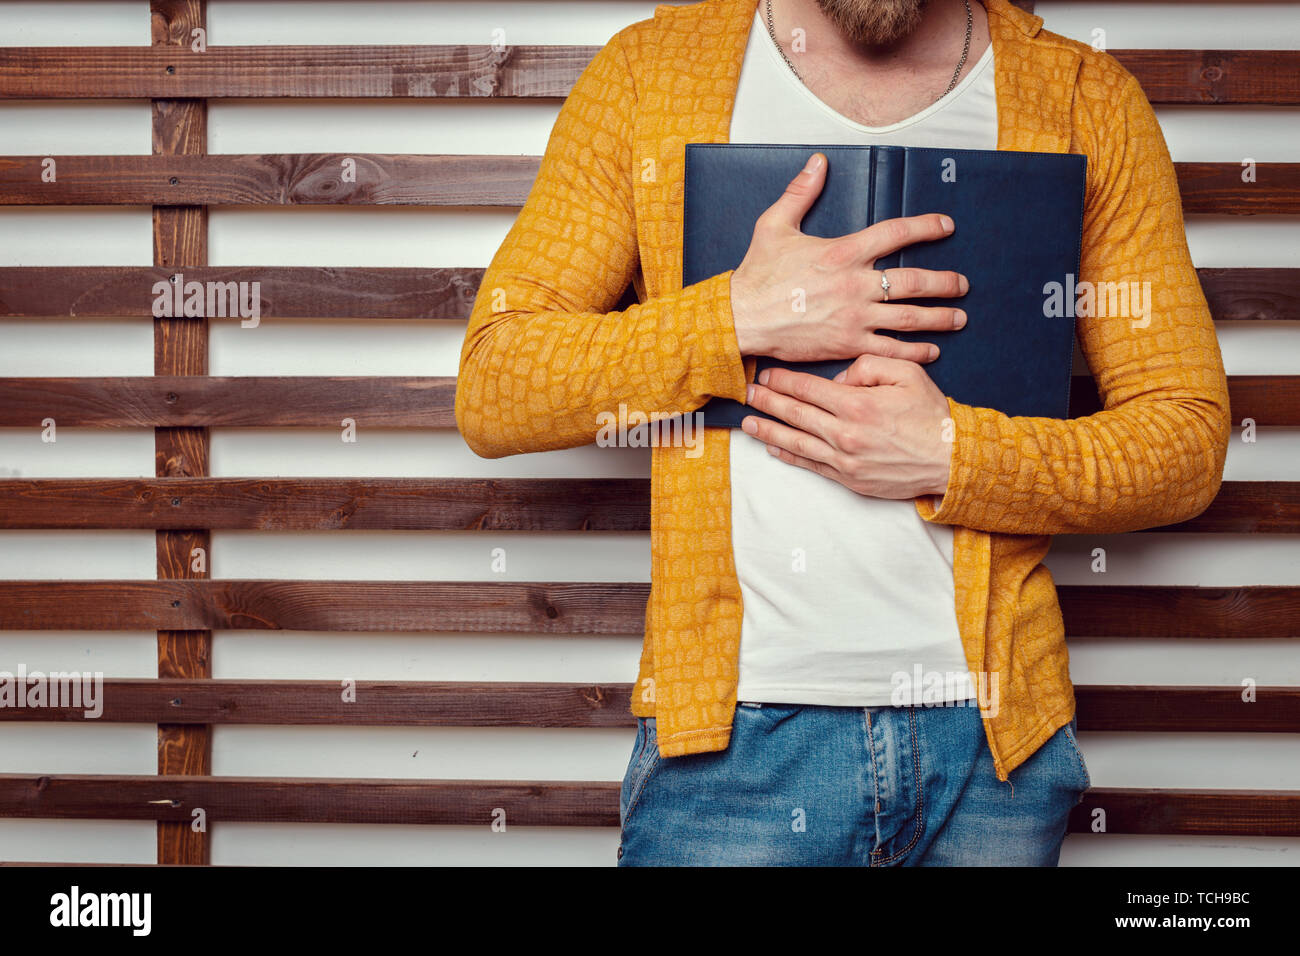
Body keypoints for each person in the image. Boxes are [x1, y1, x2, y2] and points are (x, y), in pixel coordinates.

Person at [455, 0, 1230, 866]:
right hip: (730, 753)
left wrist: (951, 456)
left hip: (994, 754)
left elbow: (1186, 440)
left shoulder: (1084, 95)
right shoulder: (651, 73)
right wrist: (738, 316)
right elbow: (496, 384)